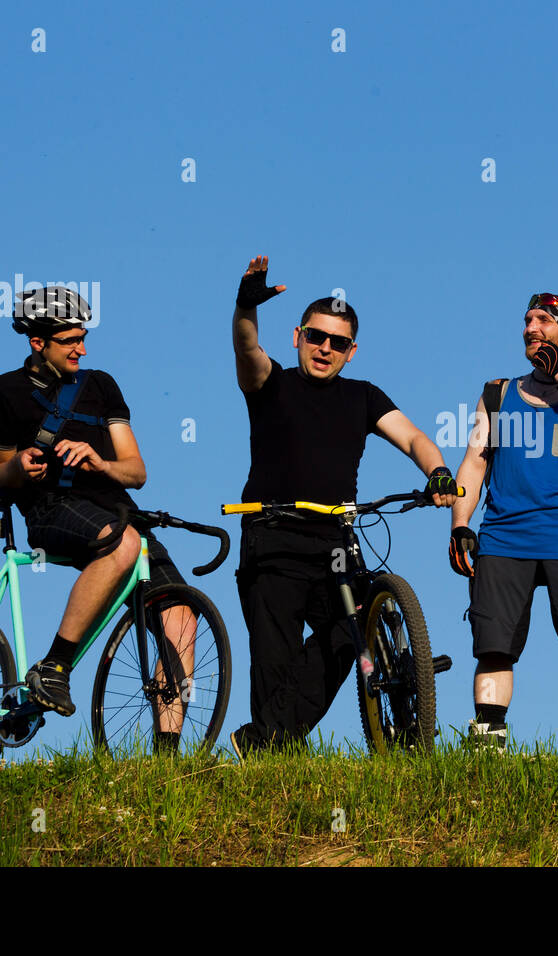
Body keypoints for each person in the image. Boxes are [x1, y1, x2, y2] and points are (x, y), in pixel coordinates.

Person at [228, 256, 457, 758]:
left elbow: (415, 437)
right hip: (272, 535)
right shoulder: (272, 384)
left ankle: (264, 743)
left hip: (333, 540)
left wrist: (437, 471)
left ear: (352, 352)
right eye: (316, 336)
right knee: (275, 660)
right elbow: (247, 347)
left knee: (349, 633)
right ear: (297, 336)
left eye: (338, 342)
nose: (325, 348)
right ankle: (274, 765)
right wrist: (246, 304)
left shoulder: (363, 396)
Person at [0, 285, 195, 750]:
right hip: (49, 510)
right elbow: (1, 466)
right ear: (38, 343)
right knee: (123, 544)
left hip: (117, 509)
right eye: (70, 340)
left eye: (83, 337)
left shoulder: (100, 385)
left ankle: (167, 759)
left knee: (180, 613)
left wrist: (99, 462)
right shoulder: (1, 392)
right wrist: (19, 466)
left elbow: (135, 471)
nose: (82, 348)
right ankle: (53, 666)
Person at [448, 293, 558, 751]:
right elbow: (474, 462)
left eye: (544, 320)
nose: (530, 327)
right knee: (494, 644)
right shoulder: (497, 393)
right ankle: (488, 740)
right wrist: (460, 523)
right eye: (527, 319)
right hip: (504, 536)